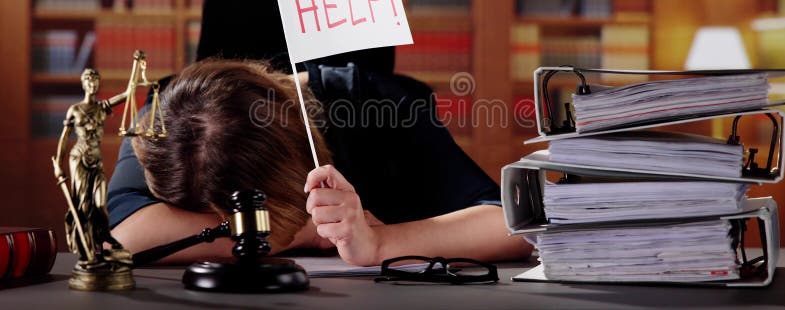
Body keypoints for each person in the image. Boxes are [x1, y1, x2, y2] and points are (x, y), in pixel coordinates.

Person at [108, 59, 532, 266]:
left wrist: (378, 243)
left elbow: (516, 225)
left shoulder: (374, 105)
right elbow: (120, 240)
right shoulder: (165, 125)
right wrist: (295, 233)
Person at [52, 69, 128, 267]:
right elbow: (63, 139)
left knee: (100, 205)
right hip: (79, 159)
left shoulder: (102, 108)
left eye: (95, 80)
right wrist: (58, 165)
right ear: (83, 84)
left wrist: (138, 68)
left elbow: (128, 94)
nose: (92, 84)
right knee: (84, 207)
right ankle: (88, 251)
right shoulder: (75, 110)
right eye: (88, 80)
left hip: (97, 159)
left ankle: (104, 240)